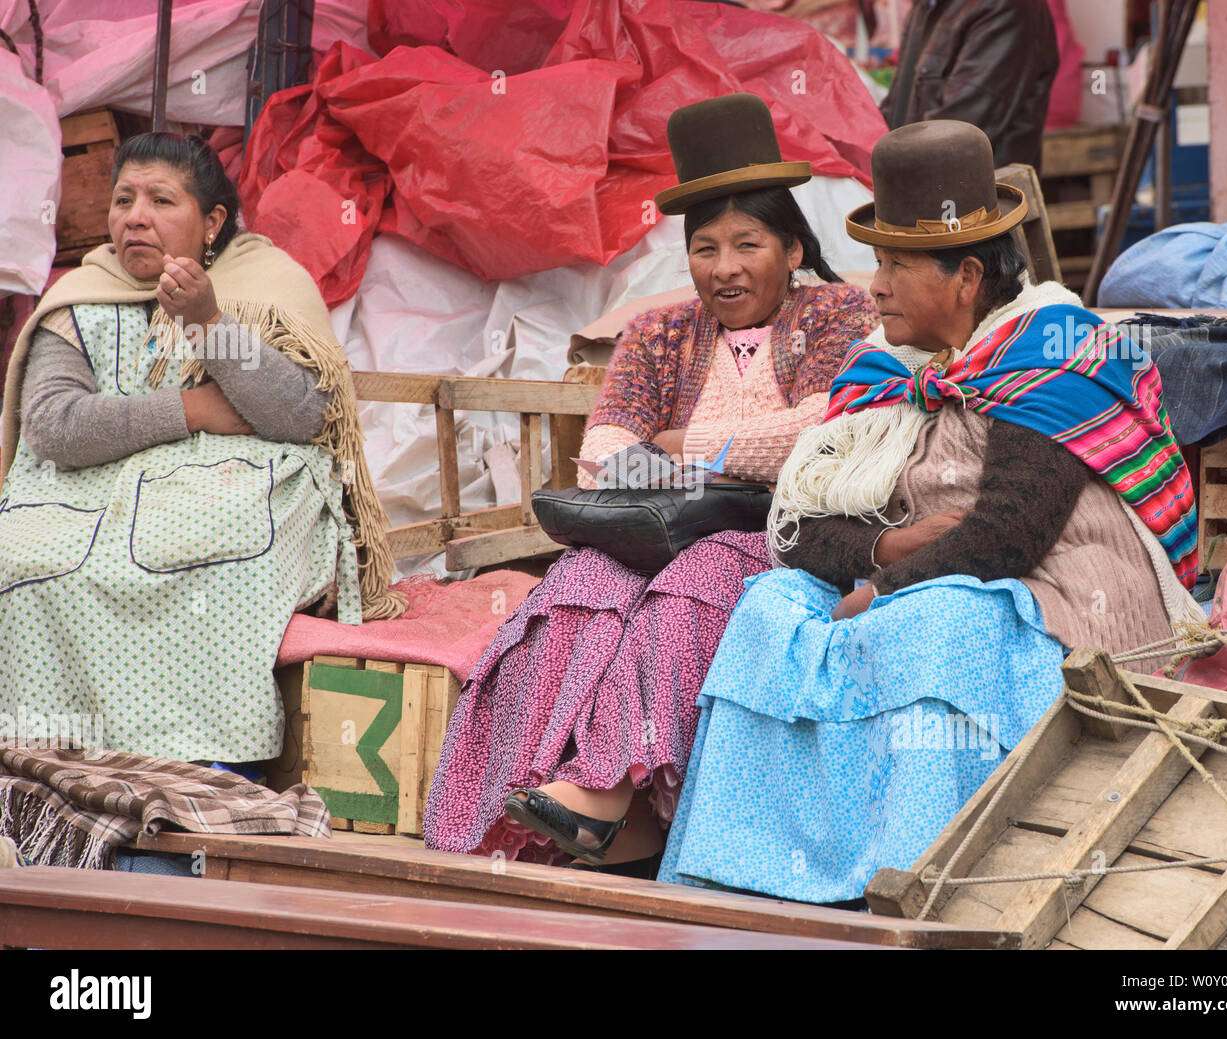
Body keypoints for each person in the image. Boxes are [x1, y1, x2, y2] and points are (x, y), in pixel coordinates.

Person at [657, 120, 1202, 902]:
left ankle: (915, 880)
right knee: (768, 605)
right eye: (877, 262)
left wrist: (883, 592)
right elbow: (803, 524)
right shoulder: (886, 369)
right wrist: (889, 552)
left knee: (938, 618)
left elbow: (1007, 534)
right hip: (930, 565)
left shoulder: (1051, 348)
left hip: (1063, 592)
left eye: (896, 265)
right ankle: (740, 870)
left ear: (967, 277)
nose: (873, 286)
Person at [423, 94, 877, 867]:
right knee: (580, 581)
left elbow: (823, 440)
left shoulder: (839, 314)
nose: (724, 267)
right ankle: (542, 791)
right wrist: (723, 449)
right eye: (705, 248)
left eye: (748, 243)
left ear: (794, 248)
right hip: (652, 529)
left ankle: (604, 796)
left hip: (785, 534)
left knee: (696, 581)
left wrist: (682, 441)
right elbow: (603, 455)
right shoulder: (660, 331)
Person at [0, 132, 402, 767]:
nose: (136, 216)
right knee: (22, 558)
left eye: (162, 200)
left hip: (225, 491)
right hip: (86, 496)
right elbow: (52, 425)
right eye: (123, 199)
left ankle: (212, 761)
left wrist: (208, 323)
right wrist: (189, 410)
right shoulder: (82, 296)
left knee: (216, 545)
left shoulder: (264, 283)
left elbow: (302, 414)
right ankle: (49, 760)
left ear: (212, 221)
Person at [880, 0, 1059, 169]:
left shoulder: (1003, 6)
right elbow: (897, 107)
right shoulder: (929, 5)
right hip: (919, 185)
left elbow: (957, 132)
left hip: (974, 195)